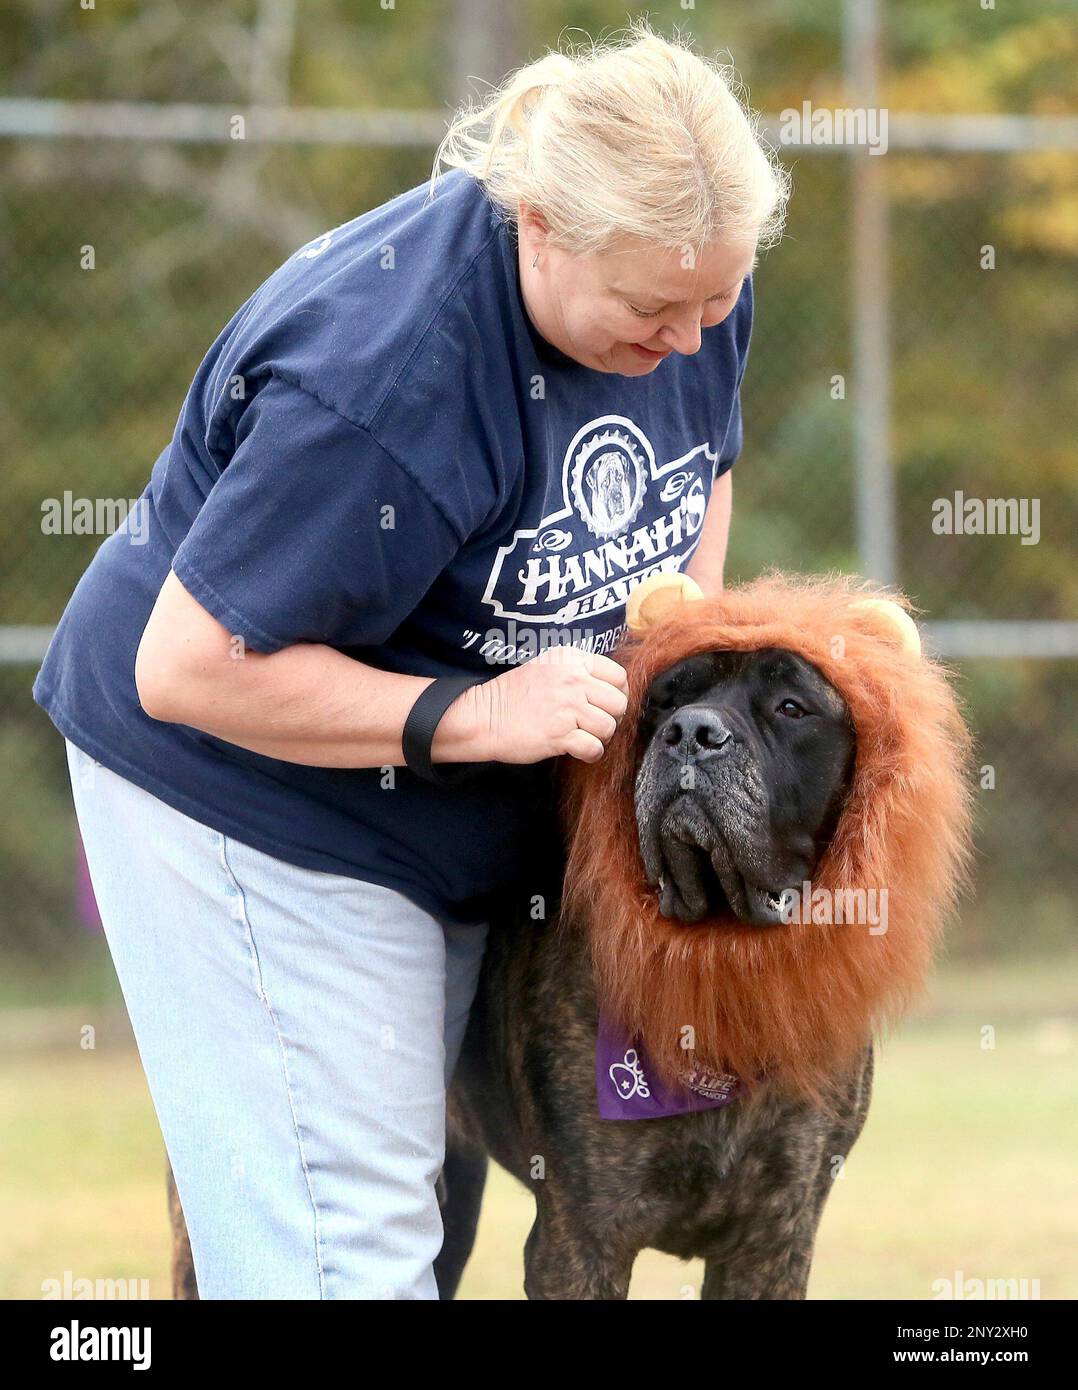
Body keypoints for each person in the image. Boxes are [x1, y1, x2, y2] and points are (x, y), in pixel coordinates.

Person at [32, 22, 789, 1299]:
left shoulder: (692, 279)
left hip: (440, 817)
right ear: (539, 225)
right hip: (246, 795)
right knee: (341, 1260)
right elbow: (191, 667)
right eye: (654, 310)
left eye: (712, 302)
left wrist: (672, 632)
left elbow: (699, 468)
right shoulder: (387, 382)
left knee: (420, 1238)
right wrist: (475, 714)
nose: (688, 337)